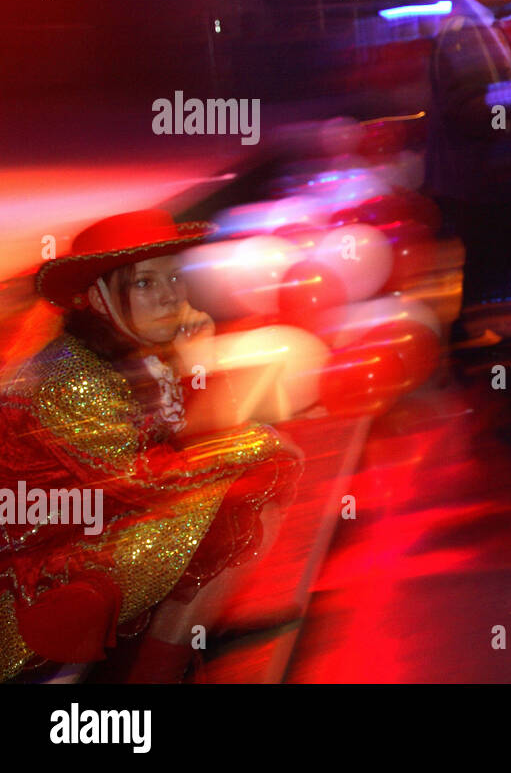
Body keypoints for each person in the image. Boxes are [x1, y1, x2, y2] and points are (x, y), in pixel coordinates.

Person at [0, 209, 298, 682]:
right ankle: (155, 671)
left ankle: (186, 637)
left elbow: (192, 438)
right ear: (98, 298)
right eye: (144, 283)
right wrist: (256, 443)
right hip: (31, 578)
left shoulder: (134, 349)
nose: (170, 296)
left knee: (243, 482)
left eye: (174, 277)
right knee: (238, 492)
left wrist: (197, 362)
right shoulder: (70, 376)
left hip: (87, 527)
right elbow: (146, 482)